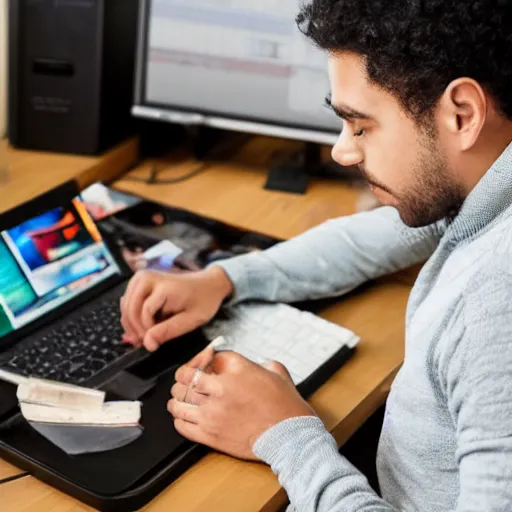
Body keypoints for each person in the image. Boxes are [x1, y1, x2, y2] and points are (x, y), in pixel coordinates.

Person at [120, 0, 512, 509]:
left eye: (361, 125)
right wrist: (224, 279)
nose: (342, 152)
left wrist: (286, 435)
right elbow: (374, 238)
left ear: (462, 114)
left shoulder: (495, 307)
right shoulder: (481, 186)